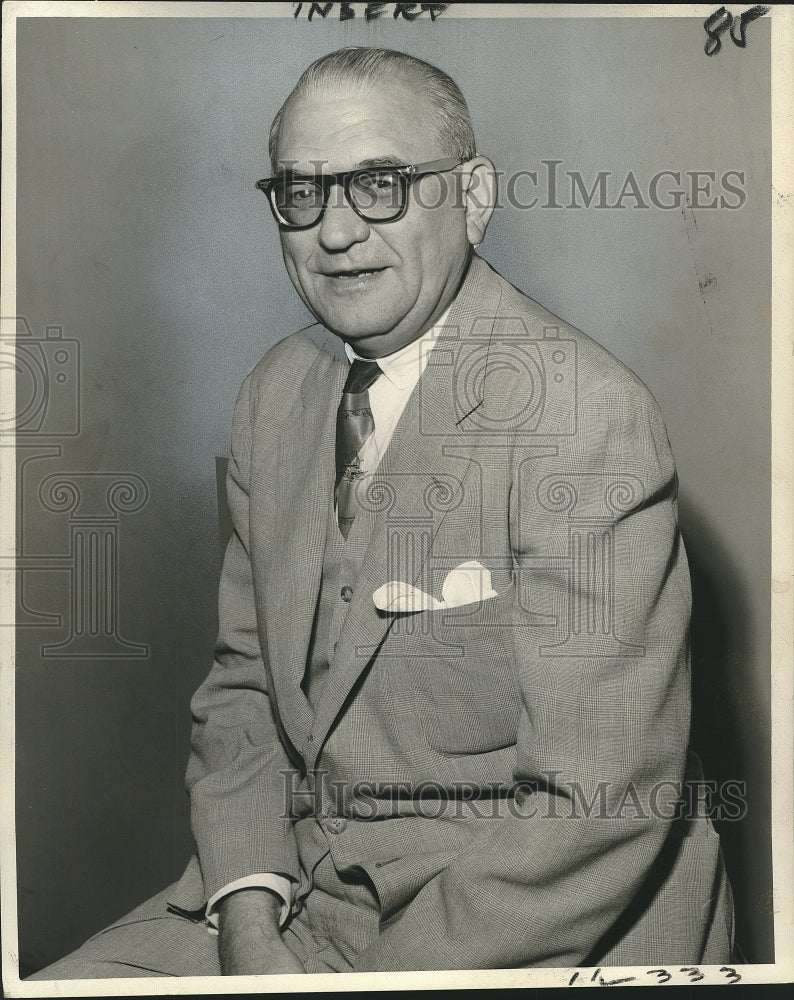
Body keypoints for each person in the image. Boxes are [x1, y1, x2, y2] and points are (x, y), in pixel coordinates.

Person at [29, 45, 734, 979]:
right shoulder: (275, 395)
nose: (335, 232)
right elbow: (244, 693)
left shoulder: (585, 417)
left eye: (380, 184)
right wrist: (247, 921)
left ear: (474, 197)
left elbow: (598, 804)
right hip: (295, 906)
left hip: (520, 929)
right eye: (303, 192)